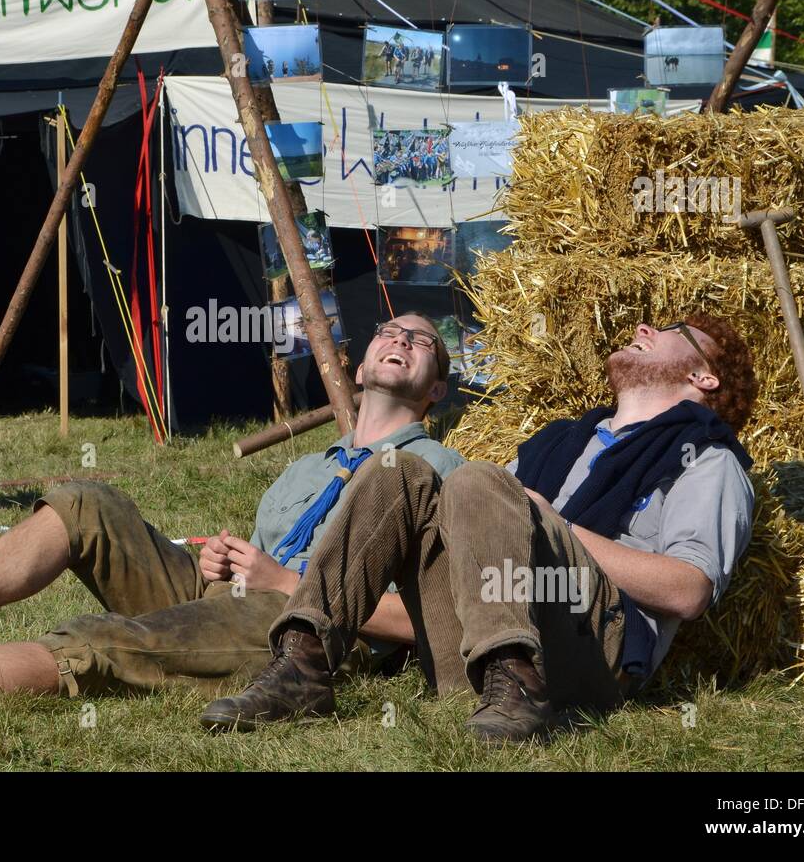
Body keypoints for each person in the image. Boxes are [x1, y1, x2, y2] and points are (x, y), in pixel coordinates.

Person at [0, 315, 466, 724]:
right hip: (228, 592)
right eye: (386, 330)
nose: (398, 337)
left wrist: (288, 581)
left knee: (100, 643)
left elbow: (443, 619)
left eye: (421, 338)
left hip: (299, 633)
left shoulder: (441, 472)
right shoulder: (308, 466)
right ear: (361, 358)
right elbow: (258, 555)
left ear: (434, 387)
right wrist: (224, 559)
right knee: (85, 500)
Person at [201, 316, 757, 741]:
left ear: (702, 375)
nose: (643, 328)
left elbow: (689, 589)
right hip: (475, 645)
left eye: (670, 330)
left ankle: (519, 686)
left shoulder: (706, 460)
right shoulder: (562, 440)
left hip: (587, 651)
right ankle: (303, 664)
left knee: (476, 482)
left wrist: (544, 517)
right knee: (401, 470)